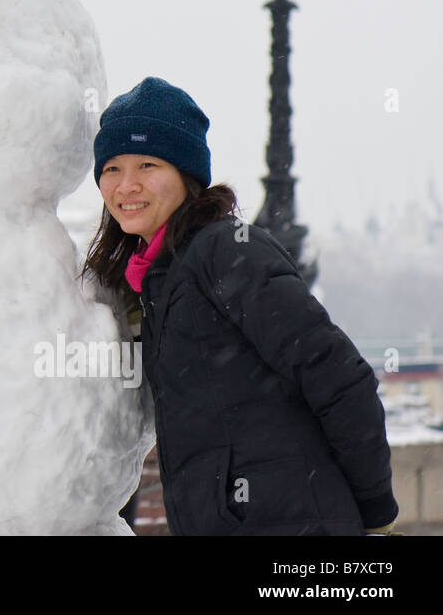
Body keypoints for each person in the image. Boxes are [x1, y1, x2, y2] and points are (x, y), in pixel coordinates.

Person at [83, 77, 397, 536]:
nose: (126, 186)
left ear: (185, 174)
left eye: (147, 164)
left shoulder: (226, 251)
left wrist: (376, 514)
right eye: (112, 168)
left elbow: (340, 377)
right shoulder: (157, 279)